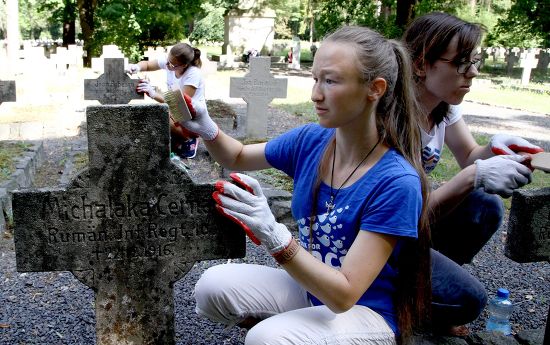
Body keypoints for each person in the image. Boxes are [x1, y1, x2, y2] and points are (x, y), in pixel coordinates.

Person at [183, 26, 431, 344]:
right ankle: (300, 328)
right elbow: (239, 156)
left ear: (375, 89)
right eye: (315, 78)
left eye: (330, 80)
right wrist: (206, 127)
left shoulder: (396, 182)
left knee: (266, 339)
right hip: (312, 289)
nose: (316, 93)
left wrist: (275, 235)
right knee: (211, 287)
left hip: (364, 310)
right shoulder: (311, 140)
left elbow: (344, 295)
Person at [403, 12, 544, 335]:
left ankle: (422, 283)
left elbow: (468, 155)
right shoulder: (391, 117)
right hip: (378, 238)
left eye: (475, 60)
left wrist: (495, 149)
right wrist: (473, 176)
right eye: (462, 63)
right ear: (421, 64)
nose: (474, 72)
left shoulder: (441, 107)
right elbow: (404, 214)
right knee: (469, 301)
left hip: (411, 226)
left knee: (484, 204)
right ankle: (398, 299)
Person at [126, 43, 205, 159]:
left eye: (172, 64)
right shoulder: (171, 62)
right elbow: (147, 65)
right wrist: (137, 67)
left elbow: (179, 102)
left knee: (161, 116)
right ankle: (177, 137)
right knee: (157, 115)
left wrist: (153, 93)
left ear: (184, 65)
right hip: (178, 108)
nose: (167, 65)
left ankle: (190, 138)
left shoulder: (193, 74)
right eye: (168, 60)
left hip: (193, 113)